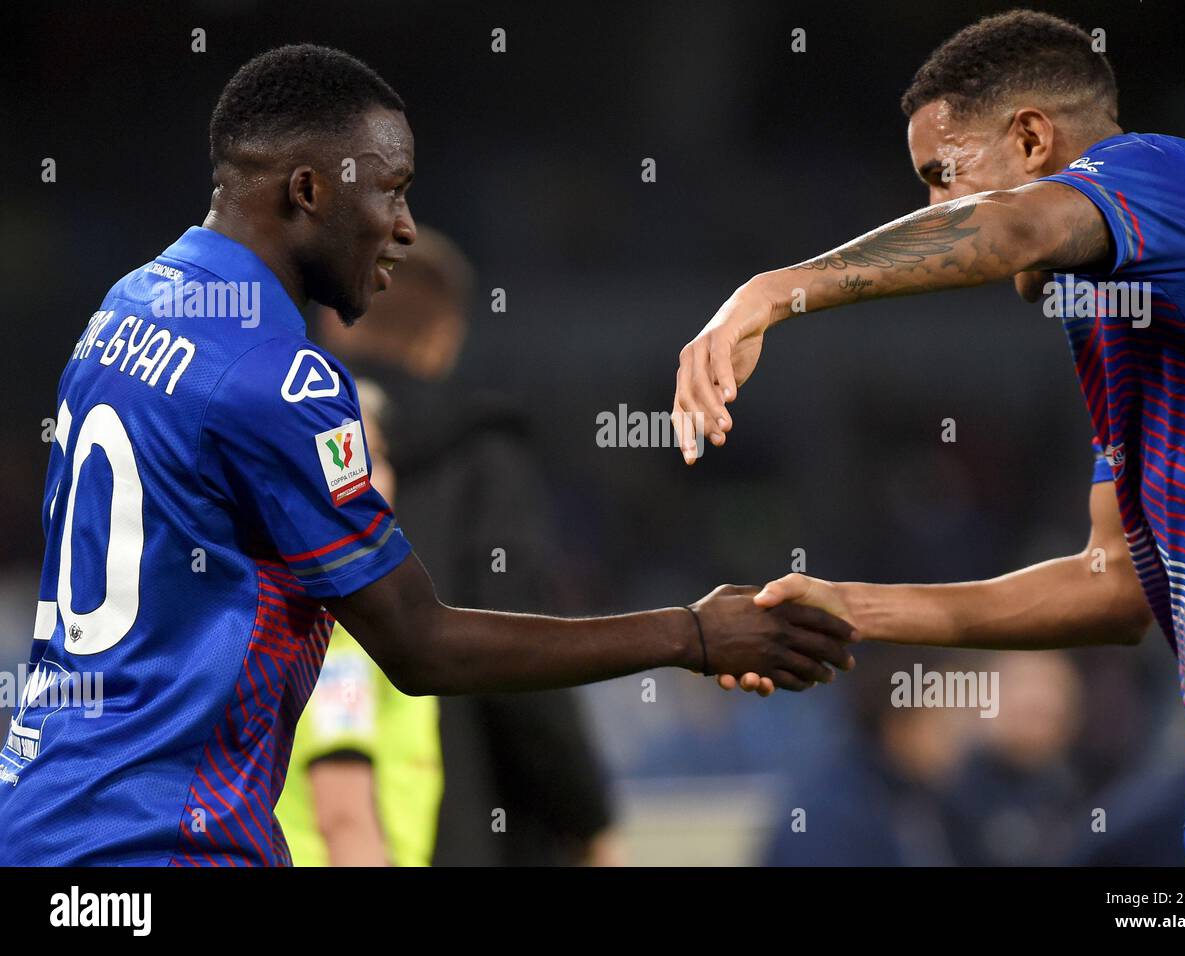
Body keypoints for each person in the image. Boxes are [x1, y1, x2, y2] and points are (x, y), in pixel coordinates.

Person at [0, 43, 855, 866]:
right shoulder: (279, 375)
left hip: (44, 814)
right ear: (309, 190)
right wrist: (691, 633)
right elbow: (420, 643)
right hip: (161, 843)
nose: (405, 228)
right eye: (392, 190)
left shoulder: (129, 303)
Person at [673, 10, 1185, 866]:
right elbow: (1109, 589)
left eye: (941, 175)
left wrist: (774, 291)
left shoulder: (1160, 173)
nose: (931, 209)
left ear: (1033, 141)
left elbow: (1010, 227)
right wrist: (851, 609)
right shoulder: (1130, 324)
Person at [315, 230, 619, 867]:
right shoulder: (483, 459)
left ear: (331, 323)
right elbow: (522, 654)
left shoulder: (271, 443)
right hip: (472, 831)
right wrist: (584, 815)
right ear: (445, 335)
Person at [275, 382, 442, 866]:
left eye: (378, 457)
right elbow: (345, 817)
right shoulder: (339, 630)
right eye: (346, 461)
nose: (370, 481)